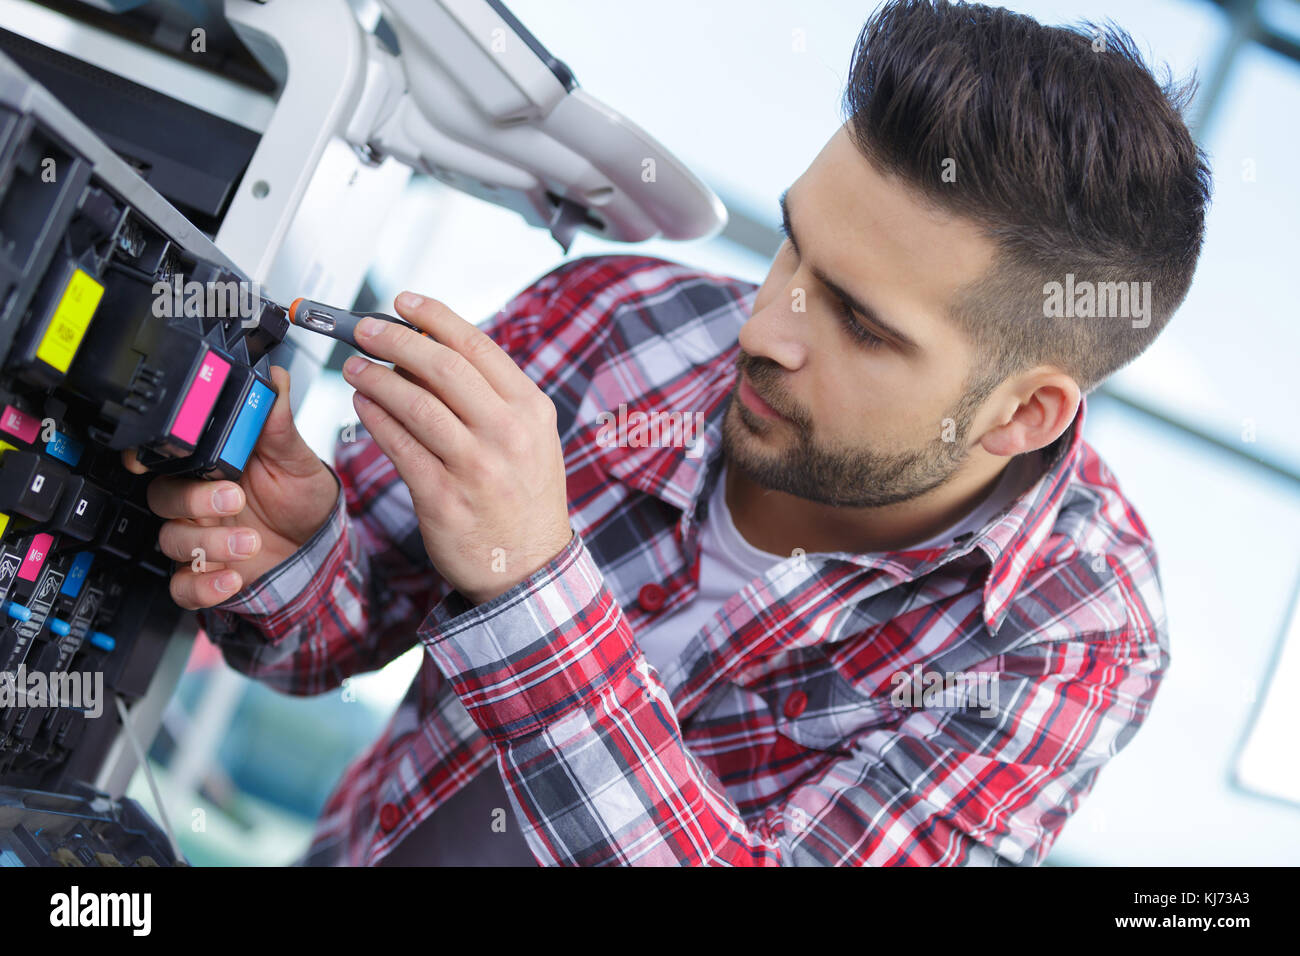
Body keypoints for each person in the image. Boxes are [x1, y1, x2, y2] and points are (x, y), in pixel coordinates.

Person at [128, 0, 1210, 865]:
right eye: (791, 249)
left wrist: (529, 583)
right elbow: (332, 635)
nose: (765, 328)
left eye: (861, 323)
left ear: (1024, 413)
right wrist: (294, 546)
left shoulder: (1072, 628)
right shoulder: (610, 322)